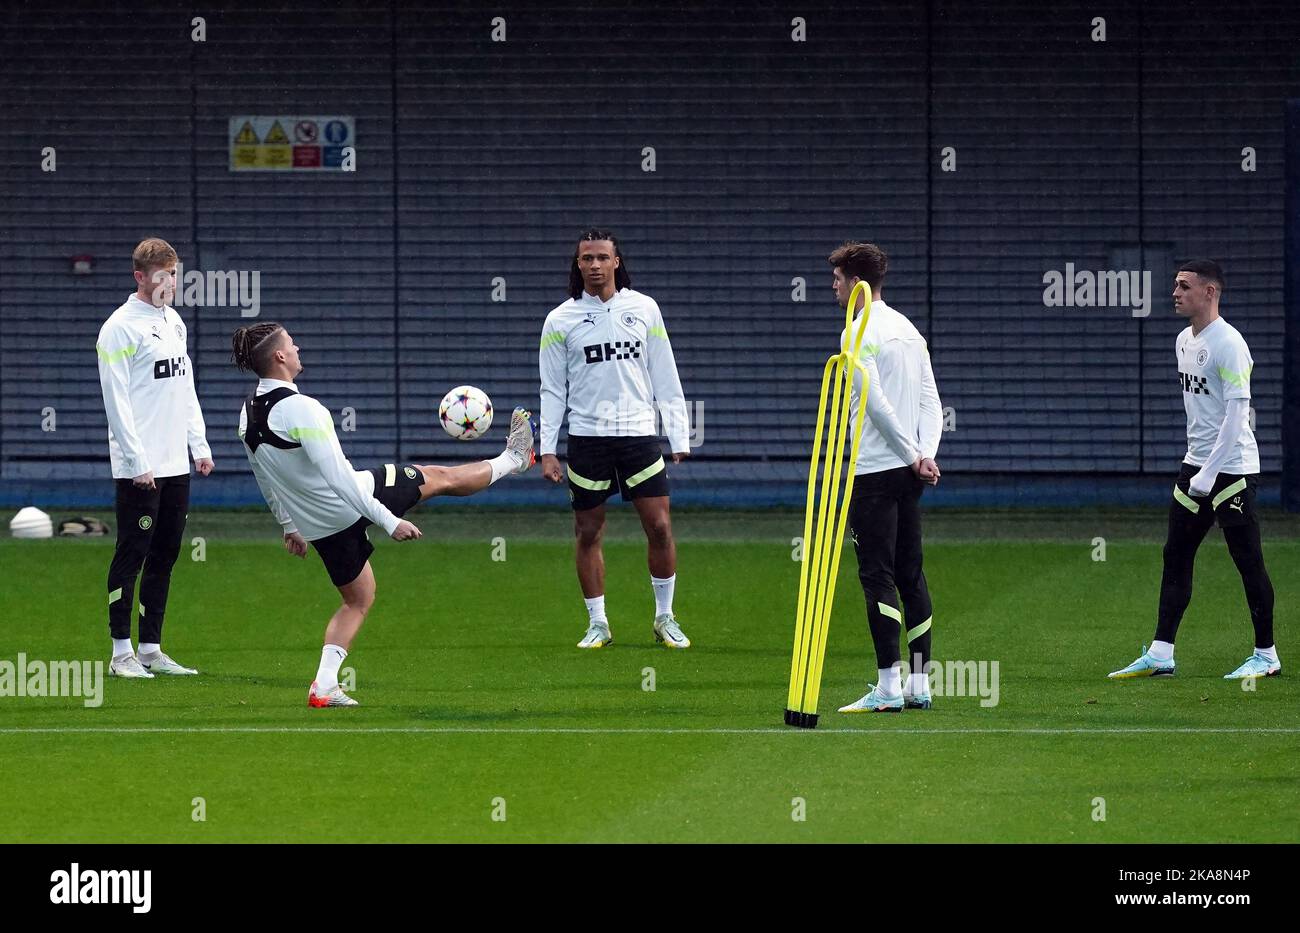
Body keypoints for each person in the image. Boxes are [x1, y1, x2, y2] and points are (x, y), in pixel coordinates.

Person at [232, 322, 535, 707]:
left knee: (358, 599)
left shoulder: (247, 414)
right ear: (279, 357)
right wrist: (390, 521)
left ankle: (324, 686)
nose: (297, 348)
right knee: (438, 477)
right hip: (351, 501)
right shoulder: (302, 409)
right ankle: (515, 458)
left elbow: (263, 476)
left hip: (320, 524)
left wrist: (290, 524)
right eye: (292, 345)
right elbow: (342, 480)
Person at [1109, 260, 1279, 681]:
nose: (1175, 292)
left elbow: (1237, 416)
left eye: (1184, 286)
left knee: (1248, 560)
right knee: (1176, 555)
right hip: (1195, 466)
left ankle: (1267, 654)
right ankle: (1161, 652)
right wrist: (1196, 468)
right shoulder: (1183, 340)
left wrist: (1210, 473)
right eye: (1175, 285)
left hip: (1233, 469)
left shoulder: (1230, 344)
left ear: (1210, 292)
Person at [538, 229, 692, 649]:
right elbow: (552, 389)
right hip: (587, 439)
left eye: (601, 257)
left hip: (639, 435)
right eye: (586, 258)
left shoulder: (644, 308)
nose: (594, 265)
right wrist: (547, 449)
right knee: (588, 532)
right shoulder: (560, 319)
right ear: (578, 265)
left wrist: (678, 432)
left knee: (659, 526)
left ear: (616, 261)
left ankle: (665, 617)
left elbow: (665, 372)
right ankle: (598, 623)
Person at [826, 242, 944, 714]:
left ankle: (888, 687)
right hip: (908, 473)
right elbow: (930, 403)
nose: (833, 287)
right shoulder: (909, 329)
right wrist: (924, 456)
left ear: (856, 283)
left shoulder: (856, 333)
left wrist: (914, 454)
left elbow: (877, 406)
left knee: (878, 577)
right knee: (911, 573)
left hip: (874, 470)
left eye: (837, 279)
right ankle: (919, 683)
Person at [97, 237, 212, 679]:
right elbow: (116, 400)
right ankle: (120, 652)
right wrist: (136, 458)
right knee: (132, 553)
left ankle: (150, 648)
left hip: (175, 463)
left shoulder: (175, 322)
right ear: (140, 277)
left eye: (176, 275)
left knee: (165, 555)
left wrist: (198, 445)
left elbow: (184, 388)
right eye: (162, 277)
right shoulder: (119, 328)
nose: (171, 283)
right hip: (139, 468)